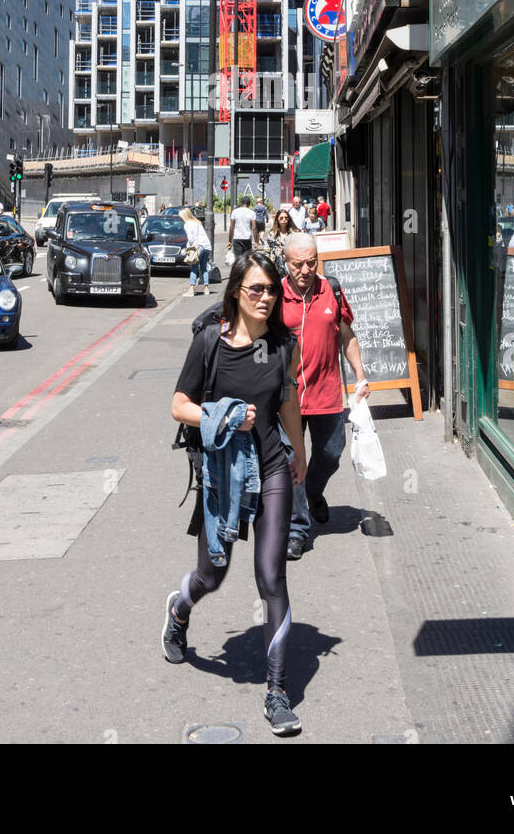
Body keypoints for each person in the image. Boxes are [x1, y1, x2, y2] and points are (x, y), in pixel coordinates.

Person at [163, 251, 307, 735]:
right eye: (256, 290)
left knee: (272, 577)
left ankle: (277, 691)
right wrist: (220, 414)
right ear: (236, 294)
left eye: (272, 290)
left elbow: (287, 400)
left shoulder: (285, 344)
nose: (266, 298)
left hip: (270, 469)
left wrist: (299, 453)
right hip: (224, 475)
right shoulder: (211, 342)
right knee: (213, 573)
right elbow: (179, 405)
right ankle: (179, 610)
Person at [279, 232, 370, 560]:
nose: (305, 269)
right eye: (297, 264)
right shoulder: (275, 295)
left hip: (327, 392)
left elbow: (347, 336)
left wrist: (360, 376)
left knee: (332, 452)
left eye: (311, 262)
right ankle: (297, 529)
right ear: (285, 261)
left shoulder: (331, 290)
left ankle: (314, 492)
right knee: (293, 462)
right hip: (288, 398)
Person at [179, 205, 213, 297]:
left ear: (184, 216)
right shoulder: (197, 222)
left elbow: (190, 239)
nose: (180, 219)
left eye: (181, 217)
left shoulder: (187, 224)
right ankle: (206, 288)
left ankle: (191, 289)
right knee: (203, 268)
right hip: (207, 246)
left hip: (199, 247)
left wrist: (187, 248)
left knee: (194, 267)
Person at [262, 209, 293, 276]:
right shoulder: (272, 234)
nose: (284, 220)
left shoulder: (292, 234)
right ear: (277, 220)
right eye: (281, 218)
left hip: (289, 267)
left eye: (286, 218)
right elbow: (267, 250)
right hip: (274, 267)